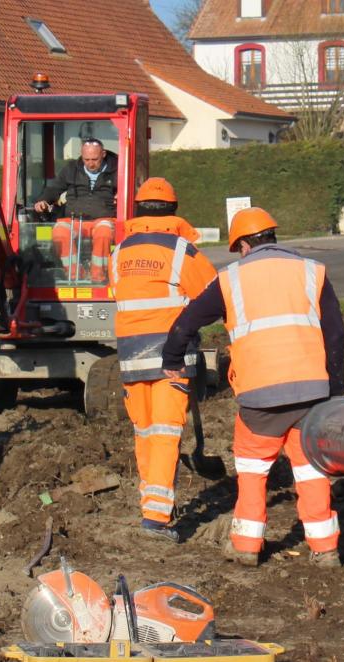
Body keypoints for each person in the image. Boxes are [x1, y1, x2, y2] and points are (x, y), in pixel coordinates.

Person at [162, 207, 344, 568]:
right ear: (272, 238)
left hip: (259, 397)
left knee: (252, 468)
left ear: (244, 245)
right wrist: (335, 388)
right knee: (311, 469)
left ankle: (247, 546)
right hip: (311, 393)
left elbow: (186, 323)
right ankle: (325, 550)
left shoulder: (230, 280)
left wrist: (172, 360)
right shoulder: (312, 272)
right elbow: (336, 333)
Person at [112, 178, 218, 541]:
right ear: (173, 210)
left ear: (138, 211)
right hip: (170, 356)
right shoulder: (182, 251)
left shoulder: (121, 251)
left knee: (146, 432)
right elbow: (211, 295)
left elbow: (118, 294)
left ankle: (151, 505)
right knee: (166, 432)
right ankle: (156, 518)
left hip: (130, 357)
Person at [33, 137, 117, 281]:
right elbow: (54, 188)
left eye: (94, 159)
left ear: (103, 154)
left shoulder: (118, 169)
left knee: (104, 233)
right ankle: (75, 276)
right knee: (60, 232)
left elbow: (129, 189)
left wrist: (121, 196)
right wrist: (42, 200)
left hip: (104, 218)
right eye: (86, 159)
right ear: (81, 155)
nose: (90, 163)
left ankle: (98, 277)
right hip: (75, 219)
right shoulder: (71, 169)